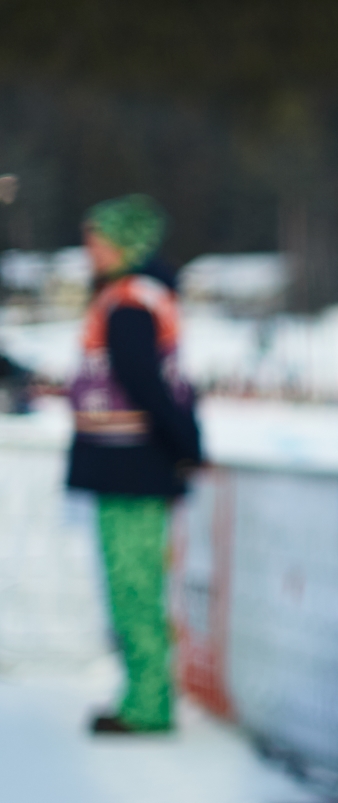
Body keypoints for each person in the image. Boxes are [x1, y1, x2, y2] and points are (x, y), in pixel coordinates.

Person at [66, 194, 202, 735]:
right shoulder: (129, 297)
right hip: (127, 464)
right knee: (132, 586)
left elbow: (146, 384)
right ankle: (142, 696)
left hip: (133, 466)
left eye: (97, 239)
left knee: (135, 587)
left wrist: (183, 446)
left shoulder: (128, 304)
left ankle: (148, 704)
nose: (90, 250)